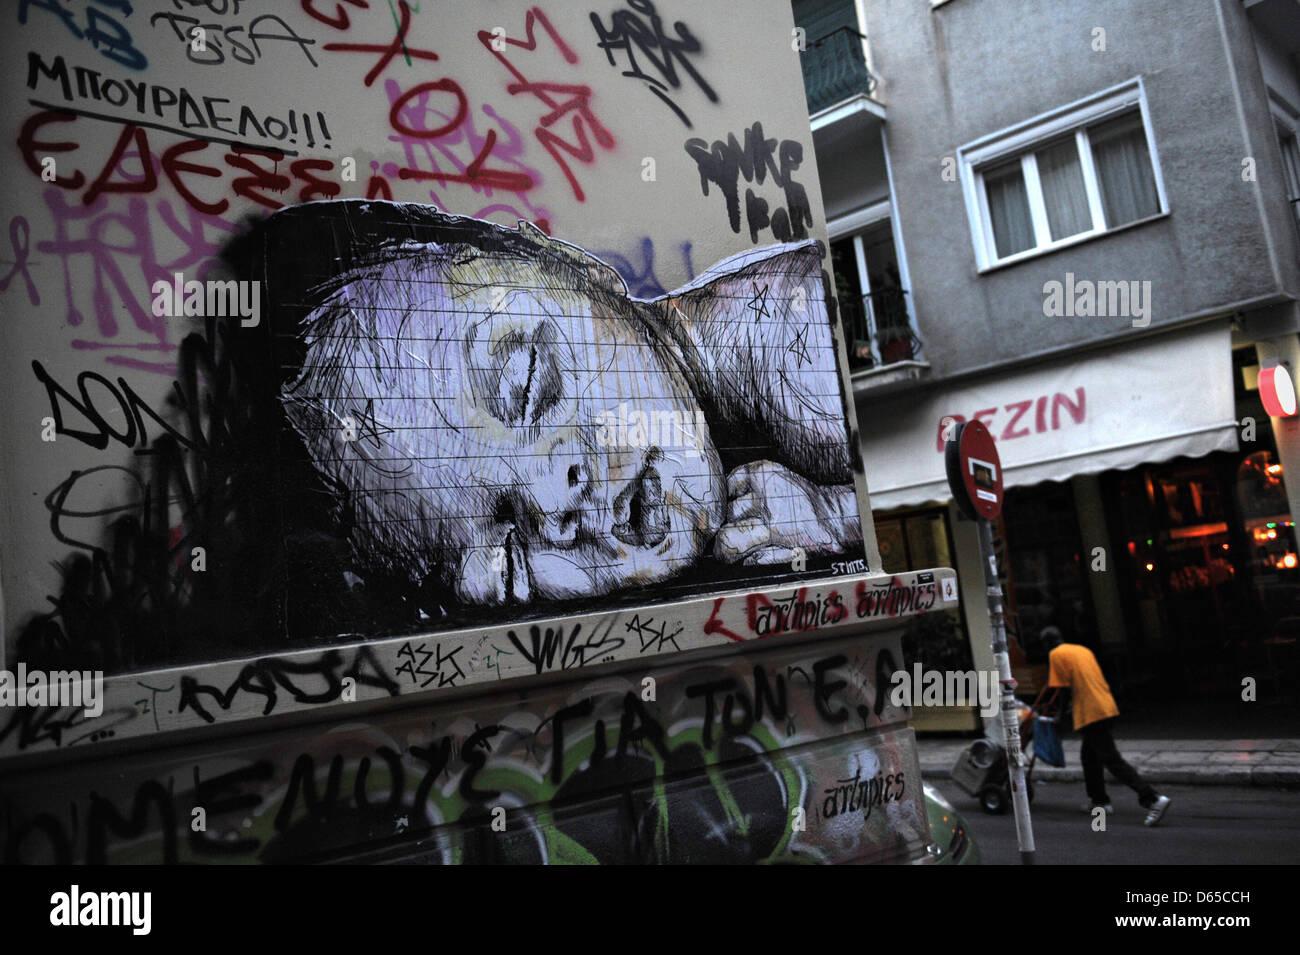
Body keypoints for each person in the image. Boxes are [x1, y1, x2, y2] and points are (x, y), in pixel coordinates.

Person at [1037, 627, 1171, 826]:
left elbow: (1063, 690)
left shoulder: (1056, 655)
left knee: (1111, 759)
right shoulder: (1082, 650)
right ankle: (1099, 801)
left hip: (1091, 714)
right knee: (1089, 758)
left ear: (1047, 644)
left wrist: (1059, 715)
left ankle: (1152, 798)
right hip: (1105, 707)